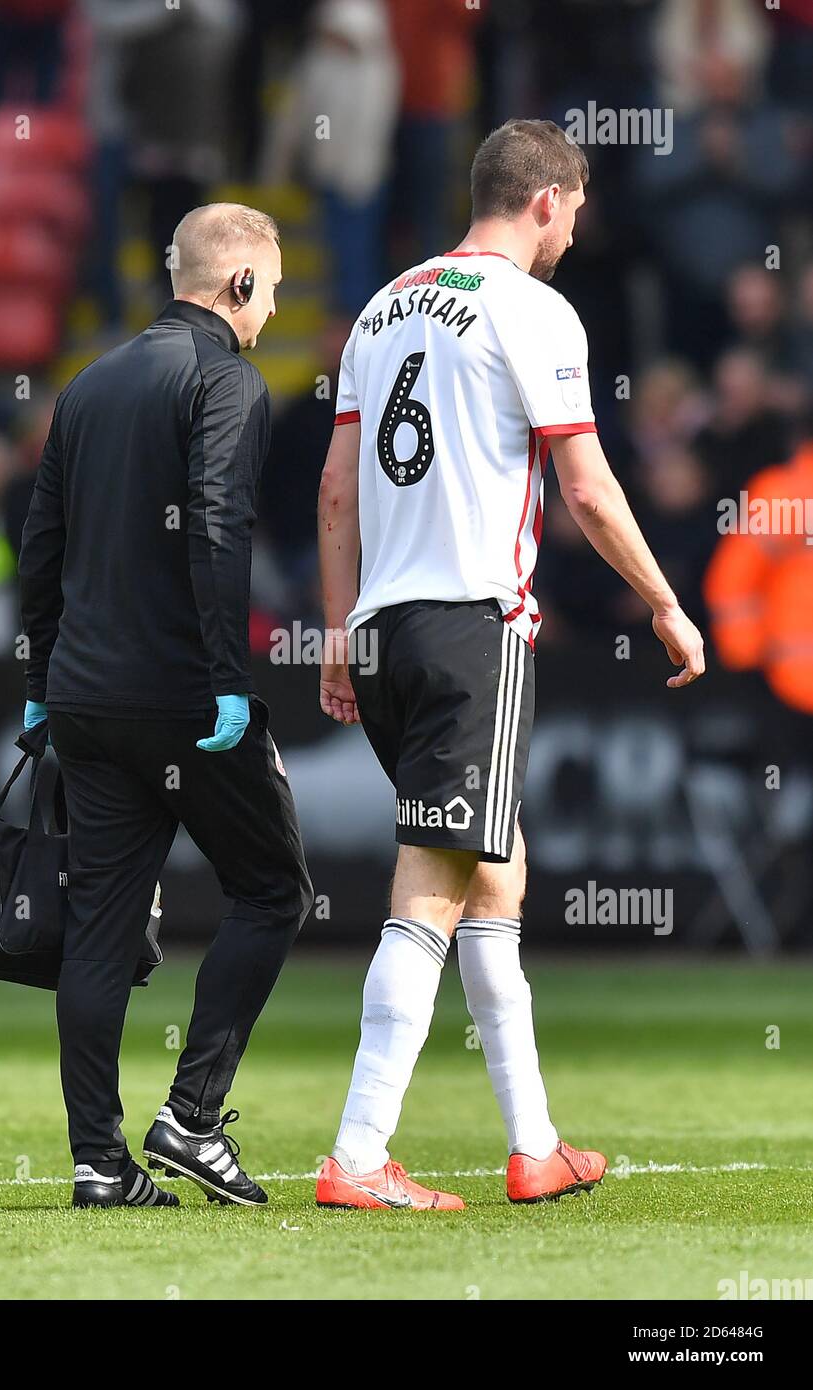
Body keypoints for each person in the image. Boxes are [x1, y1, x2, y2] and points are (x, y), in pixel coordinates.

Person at [315, 119, 706, 1211]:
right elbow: (584, 489)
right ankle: (355, 1154)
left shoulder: (382, 304)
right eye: (573, 212)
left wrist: (338, 631)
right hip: (469, 626)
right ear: (542, 200)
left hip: (388, 629)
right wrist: (666, 605)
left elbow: (336, 490)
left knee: (497, 869)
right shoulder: (532, 310)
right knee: (432, 883)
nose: (574, 234)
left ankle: (533, 1144)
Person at [18, 203, 312, 1211]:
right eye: (267, 290)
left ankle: (98, 1163)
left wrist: (34, 684)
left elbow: (40, 541)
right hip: (183, 696)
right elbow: (218, 522)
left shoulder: (91, 381)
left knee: (97, 932)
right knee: (273, 888)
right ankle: (190, 1119)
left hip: (85, 702)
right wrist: (231, 675)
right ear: (236, 284)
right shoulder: (225, 378)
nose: (270, 310)